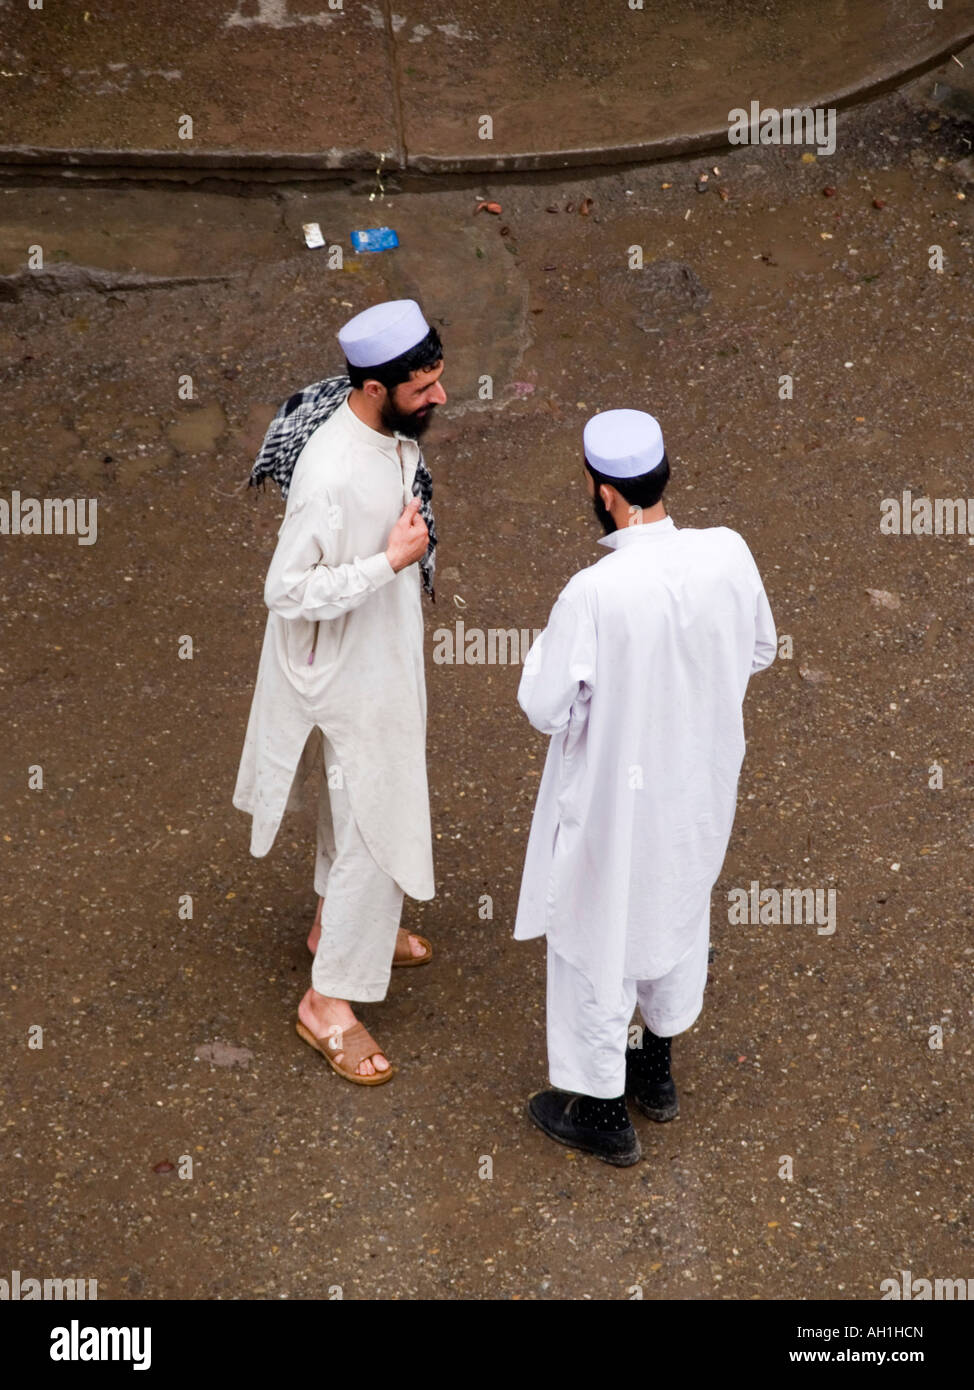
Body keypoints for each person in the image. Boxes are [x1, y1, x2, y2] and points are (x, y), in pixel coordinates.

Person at [514, 408, 776, 1163]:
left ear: (603, 493)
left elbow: (543, 706)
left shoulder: (594, 593)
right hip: (696, 785)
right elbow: (759, 648)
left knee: (600, 937)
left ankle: (601, 1110)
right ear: (664, 475)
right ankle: (655, 1075)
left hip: (613, 803)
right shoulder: (727, 553)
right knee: (677, 910)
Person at [233, 299, 446, 1085]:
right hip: (342, 677)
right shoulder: (330, 472)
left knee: (354, 806)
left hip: (375, 657)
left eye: (438, 380)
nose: (440, 400)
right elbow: (284, 590)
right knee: (372, 819)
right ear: (374, 386)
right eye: (423, 388)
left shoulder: (384, 430)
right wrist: (389, 563)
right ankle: (328, 1003)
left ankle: (342, 927)